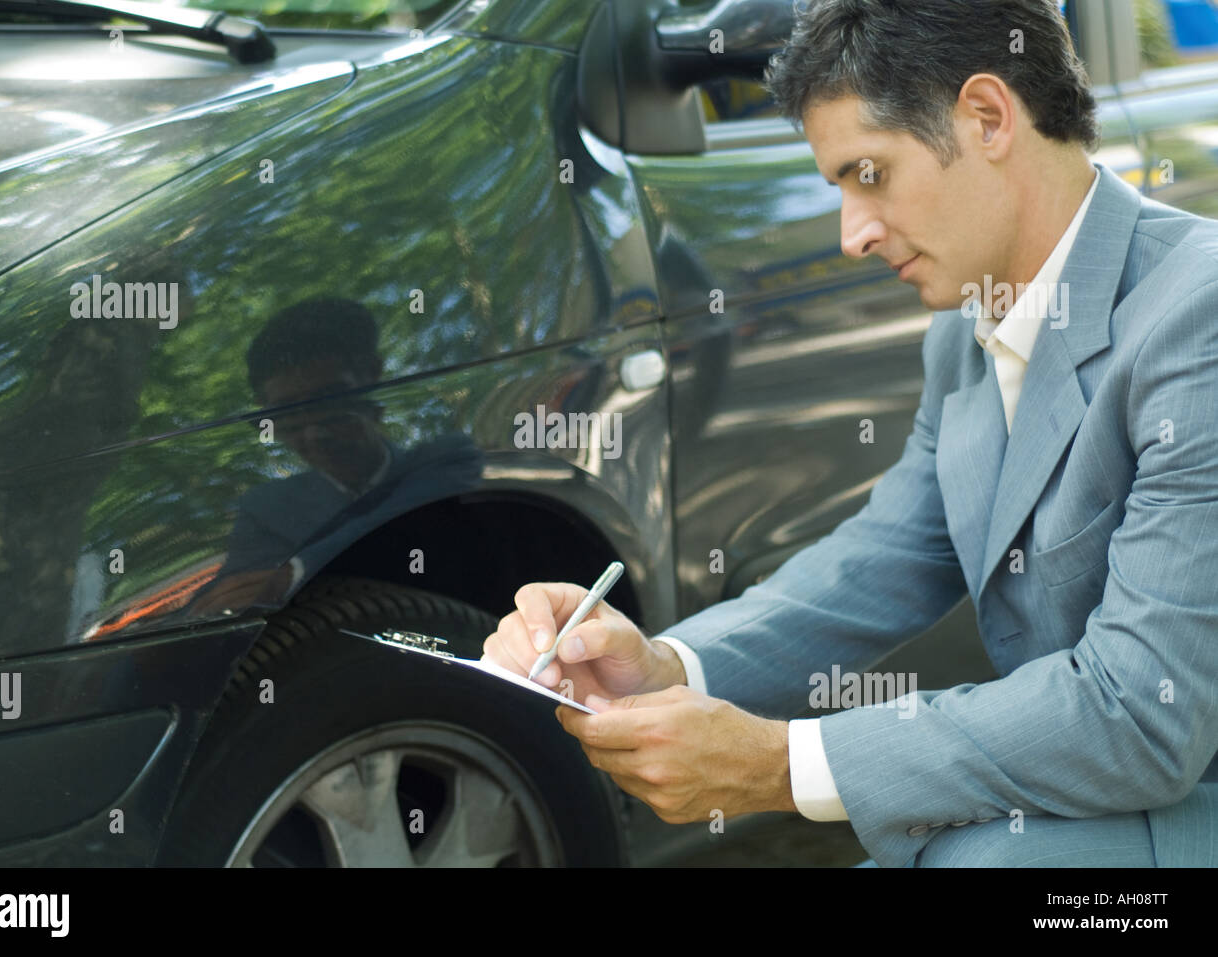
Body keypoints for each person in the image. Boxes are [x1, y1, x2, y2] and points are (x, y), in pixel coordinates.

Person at [481, 0, 1218, 867]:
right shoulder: (965, 328)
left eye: (869, 174)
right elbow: (886, 556)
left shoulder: (1197, 318)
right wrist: (667, 664)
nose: (852, 234)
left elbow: (1139, 717)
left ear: (986, 118)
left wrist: (780, 765)